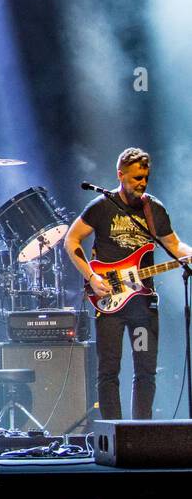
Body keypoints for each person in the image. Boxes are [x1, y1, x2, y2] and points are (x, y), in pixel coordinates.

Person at [64, 147, 191, 420]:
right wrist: (92, 277)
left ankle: (141, 431)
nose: (142, 183)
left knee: (145, 369)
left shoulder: (153, 208)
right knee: (109, 370)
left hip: (143, 305)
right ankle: (113, 430)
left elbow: (174, 245)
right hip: (109, 300)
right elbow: (71, 240)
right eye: (135, 178)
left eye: (145, 177)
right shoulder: (101, 206)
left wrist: (189, 254)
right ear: (120, 175)